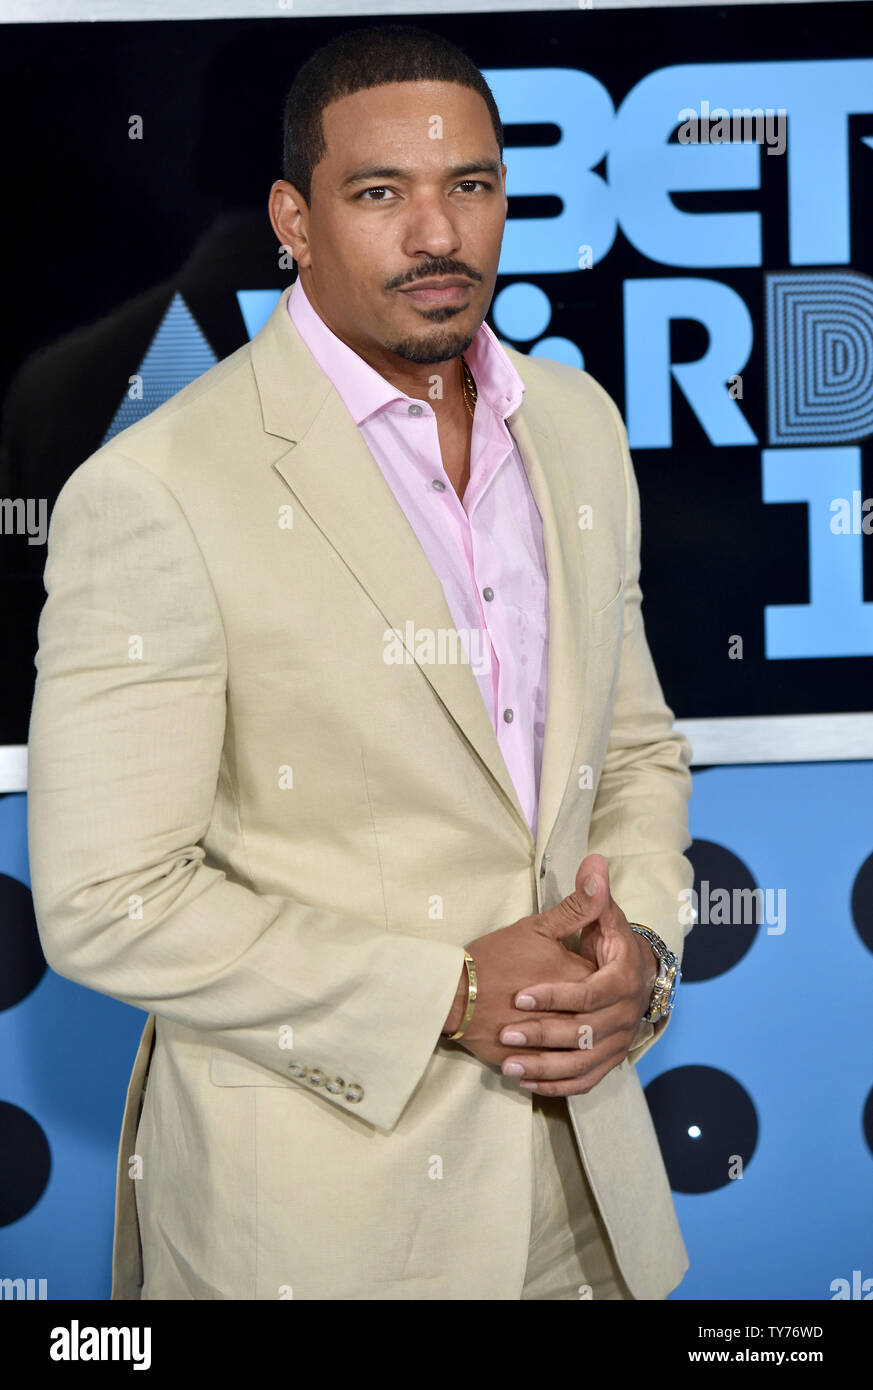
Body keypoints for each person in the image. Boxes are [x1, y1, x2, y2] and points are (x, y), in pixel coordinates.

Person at [27, 23, 694, 1301]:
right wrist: (446, 991)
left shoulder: (577, 424)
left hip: (589, 1195)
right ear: (294, 215)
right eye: (381, 193)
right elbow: (109, 899)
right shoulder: (158, 490)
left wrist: (642, 961)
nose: (439, 235)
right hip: (326, 1231)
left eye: (473, 187)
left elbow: (638, 751)